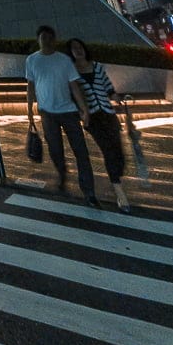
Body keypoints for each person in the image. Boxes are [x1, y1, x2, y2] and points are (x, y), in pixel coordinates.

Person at [25, 24, 98, 205]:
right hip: (47, 113)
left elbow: (74, 85)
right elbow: (30, 86)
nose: (47, 41)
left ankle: (89, 191)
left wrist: (83, 109)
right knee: (55, 150)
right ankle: (62, 173)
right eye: (44, 38)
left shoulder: (64, 60)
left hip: (68, 112)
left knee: (81, 151)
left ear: (54, 40)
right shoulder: (32, 60)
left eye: (50, 38)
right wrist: (29, 110)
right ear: (38, 40)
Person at [66, 38, 130, 212]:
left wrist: (116, 97)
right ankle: (119, 191)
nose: (78, 50)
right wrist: (82, 113)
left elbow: (108, 87)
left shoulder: (98, 67)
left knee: (118, 150)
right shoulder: (71, 73)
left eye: (80, 47)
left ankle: (116, 176)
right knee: (108, 150)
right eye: (74, 49)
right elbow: (73, 95)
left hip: (108, 113)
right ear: (70, 53)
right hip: (92, 118)